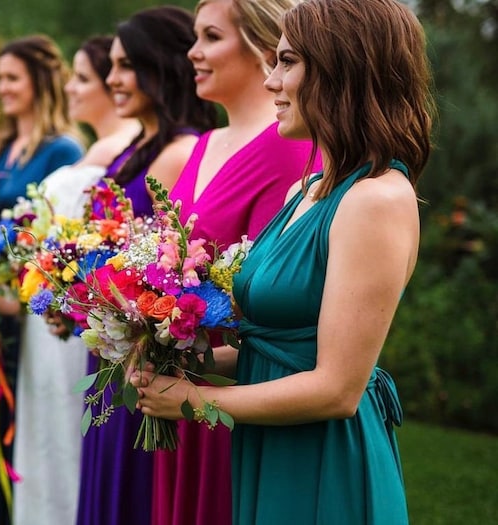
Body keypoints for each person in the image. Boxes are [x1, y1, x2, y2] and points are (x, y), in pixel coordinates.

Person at [132, 0, 435, 523]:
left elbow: (336, 388)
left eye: (287, 62)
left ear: (343, 69)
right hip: (270, 443)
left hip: (323, 457)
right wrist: (181, 357)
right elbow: (278, 343)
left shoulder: (375, 199)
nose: (271, 81)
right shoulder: (314, 188)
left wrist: (194, 401)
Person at [151, 1, 318, 524]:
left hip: (237, 391)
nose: (193, 52)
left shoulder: (291, 151)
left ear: (260, 49)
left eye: (211, 36)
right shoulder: (202, 145)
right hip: (184, 376)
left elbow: (281, 297)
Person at [76, 7, 218, 525]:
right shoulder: (136, 146)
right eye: (111, 65)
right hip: (114, 339)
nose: (113, 78)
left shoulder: (180, 150)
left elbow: (164, 261)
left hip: (140, 345)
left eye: (125, 65)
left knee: (134, 481)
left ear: (160, 65)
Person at [11, 35, 141, 525]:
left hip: (79, 322)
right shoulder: (99, 149)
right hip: (51, 316)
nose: (72, 86)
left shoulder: (126, 151)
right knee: (44, 424)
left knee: (69, 428)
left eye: (84, 76)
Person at [0, 34, 84, 525]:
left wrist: (15, 288)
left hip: (27, 303)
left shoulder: (64, 150)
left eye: (12, 77)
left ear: (39, 81)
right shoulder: (2, 147)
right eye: (0, 77)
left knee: (24, 411)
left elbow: (60, 236)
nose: (2, 88)